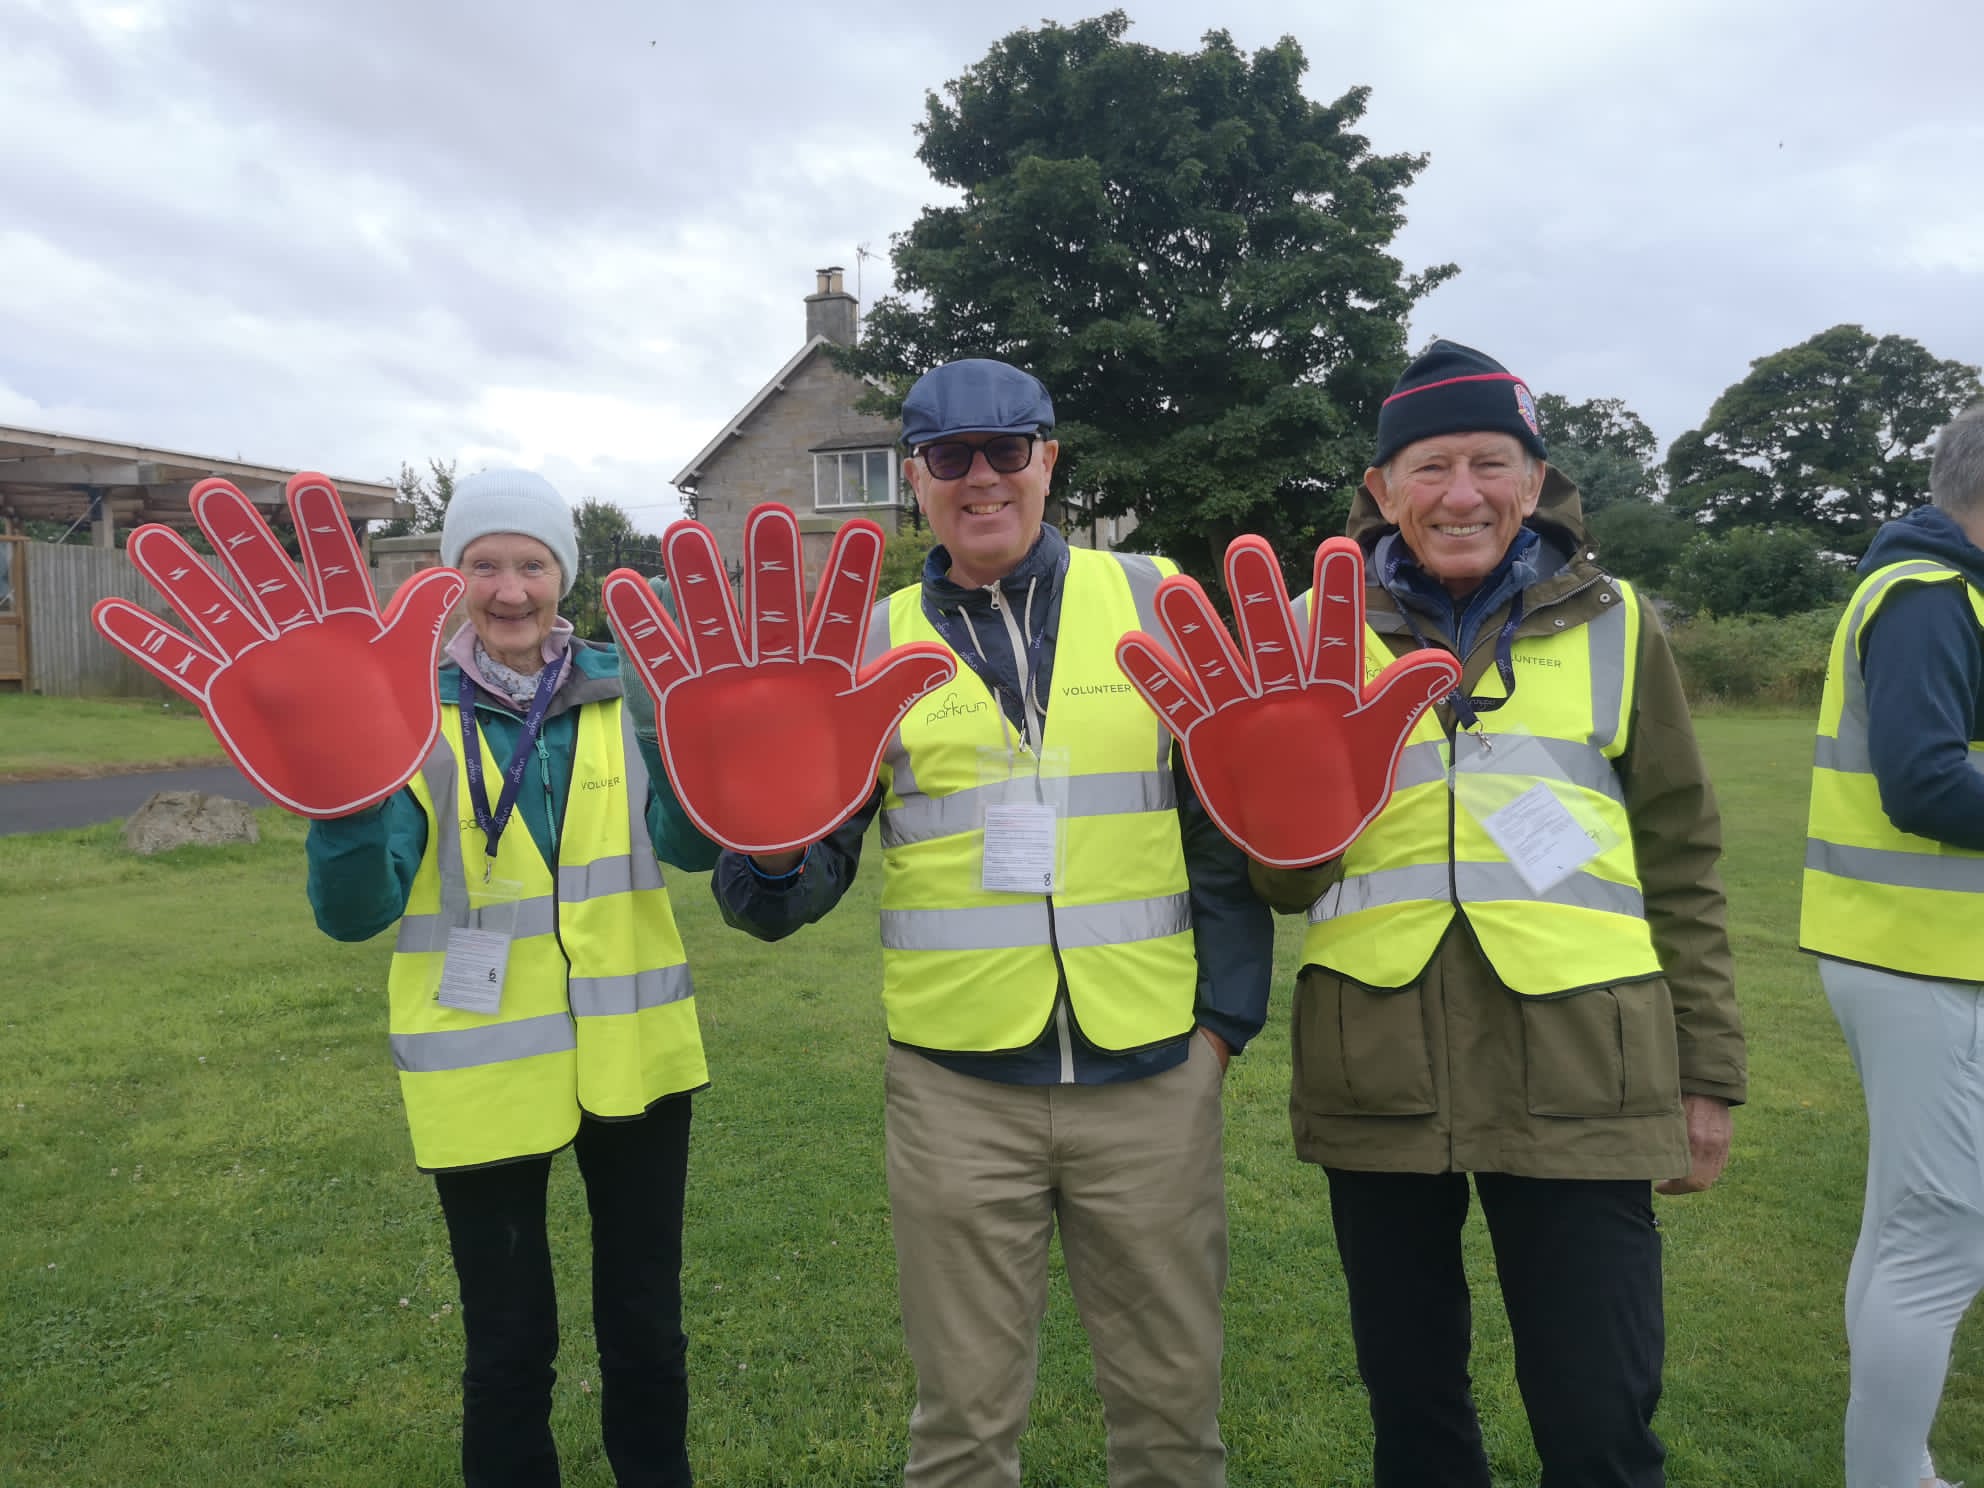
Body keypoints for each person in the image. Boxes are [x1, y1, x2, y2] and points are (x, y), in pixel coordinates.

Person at [706, 358, 1273, 1488]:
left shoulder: (1157, 598)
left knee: (1172, 1416)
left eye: (1006, 450)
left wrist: (1222, 1028)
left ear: (1047, 461)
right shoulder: (863, 642)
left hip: (1151, 1073)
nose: (981, 478)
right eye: (949, 457)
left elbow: (1221, 829)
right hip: (957, 1090)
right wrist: (767, 852)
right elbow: (791, 884)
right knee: (962, 1428)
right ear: (914, 478)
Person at [1250, 341, 1748, 1487]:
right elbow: (1278, 883)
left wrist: (1707, 1074)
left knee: (1599, 1422)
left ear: (1534, 478)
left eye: (1489, 463)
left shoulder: (1620, 623)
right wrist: (1282, 818)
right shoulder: (1306, 629)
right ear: (1381, 489)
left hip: (1587, 1066)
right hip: (1375, 1066)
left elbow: (1680, 859)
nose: (1460, 494)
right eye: (1429, 467)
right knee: (1415, 1421)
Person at [308, 468, 716, 1488]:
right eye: (483, 565)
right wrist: (339, 803)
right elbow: (355, 911)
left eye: (531, 565)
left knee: (646, 1329)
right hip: (479, 1065)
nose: (508, 591)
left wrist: (701, 742)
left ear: (562, 577)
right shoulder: (405, 710)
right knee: (506, 1344)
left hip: (634, 1054)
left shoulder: (628, 691)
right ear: (454, 576)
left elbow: (691, 847)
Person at [1801, 402, 1984, 1488]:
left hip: (1912, 949)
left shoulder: (1942, 586)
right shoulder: (1928, 595)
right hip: (1919, 955)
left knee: (1905, 1227)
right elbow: (1924, 784)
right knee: (1944, 1236)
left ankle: (1894, 1470)